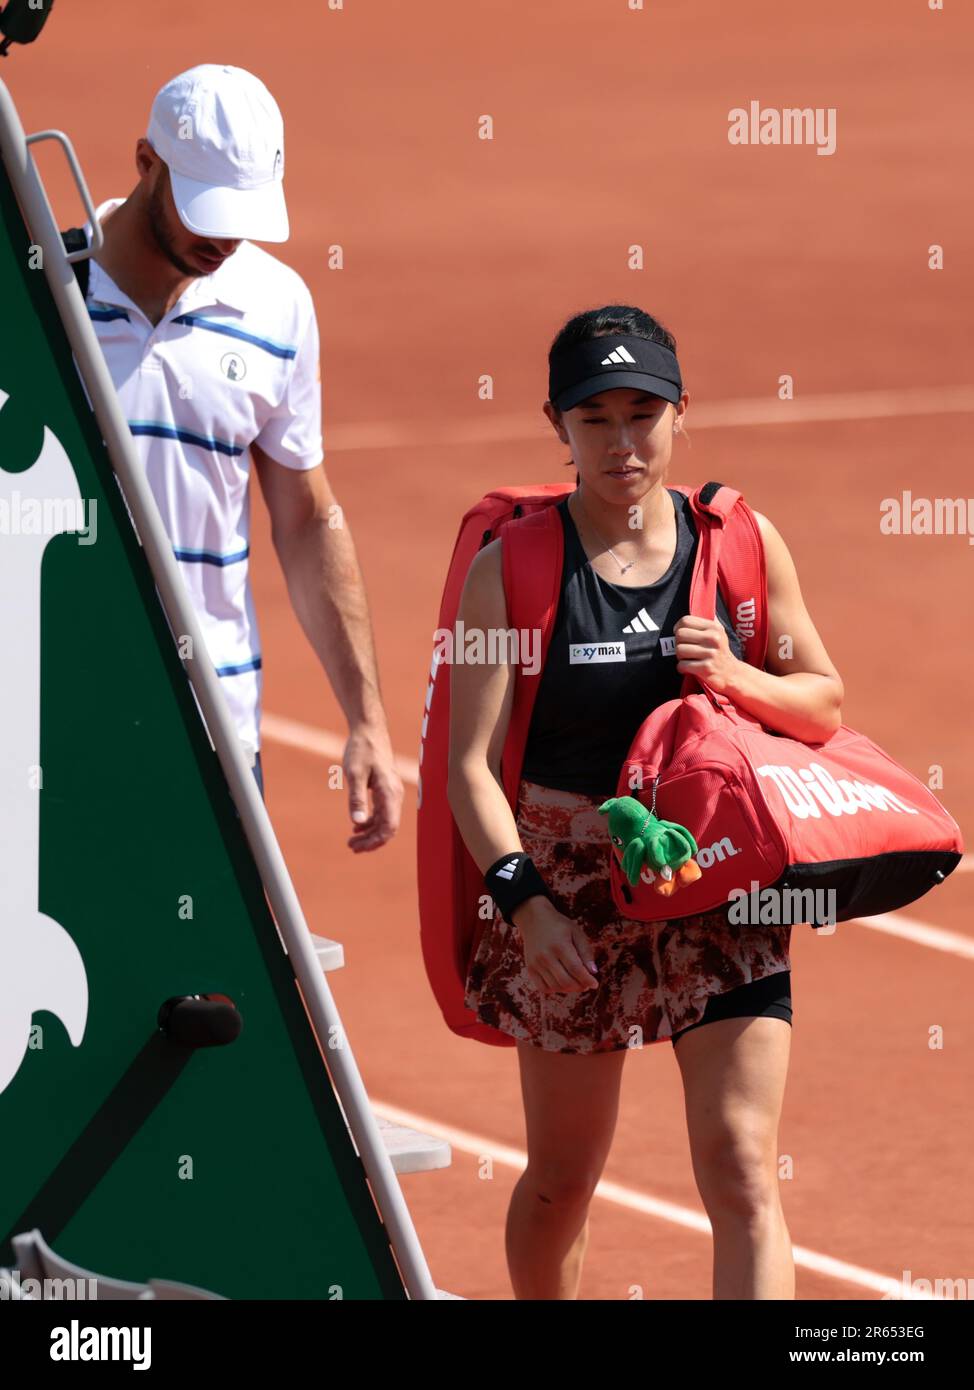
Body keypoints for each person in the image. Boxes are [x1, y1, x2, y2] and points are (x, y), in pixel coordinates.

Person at [447, 304, 844, 1299]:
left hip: (721, 878)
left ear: (679, 412)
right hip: (568, 898)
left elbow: (823, 702)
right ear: (557, 423)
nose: (621, 442)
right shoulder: (510, 572)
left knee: (742, 1168)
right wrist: (525, 905)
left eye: (642, 414)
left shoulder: (740, 542)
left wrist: (737, 677)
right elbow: (468, 767)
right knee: (561, 1181)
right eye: (594, 419)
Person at [78, 63, 401, 845]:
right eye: (207, 211)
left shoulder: (277, 305)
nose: (225, 239)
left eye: (243, 214)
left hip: (211, 726)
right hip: (50, 713)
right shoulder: (41, 292)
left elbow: (307, 519)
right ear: (146, 164)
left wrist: (366, 719)